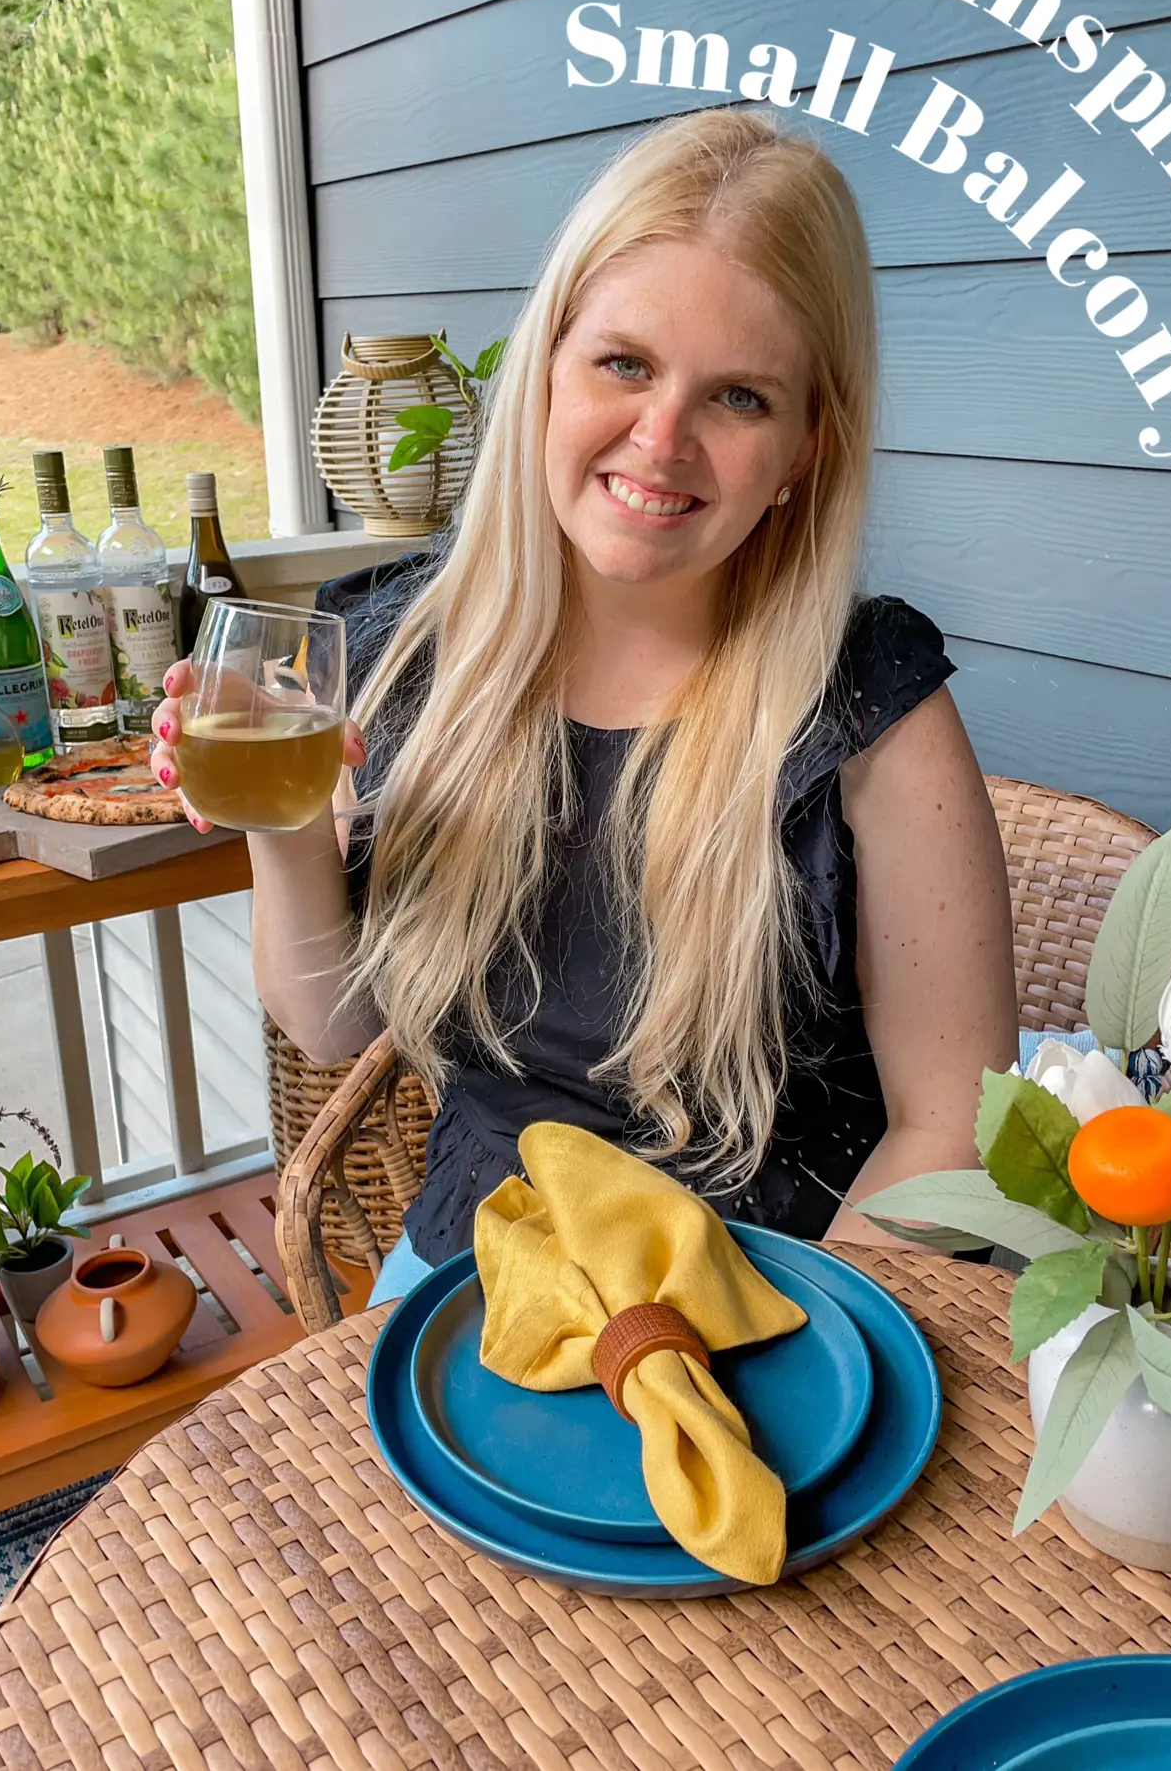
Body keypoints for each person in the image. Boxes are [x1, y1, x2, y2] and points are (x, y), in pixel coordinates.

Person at [151, 107, 1017, 1300]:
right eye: (624, 362)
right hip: (474, 1278)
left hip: (786, 1294)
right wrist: (287, 830)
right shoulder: (401, 650)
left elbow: (950, 1130)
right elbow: (336, 1026)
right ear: (547, 365)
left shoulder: (871, 702)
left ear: (807, 447)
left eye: (741, 398)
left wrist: (772, 1348)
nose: (660, 440)